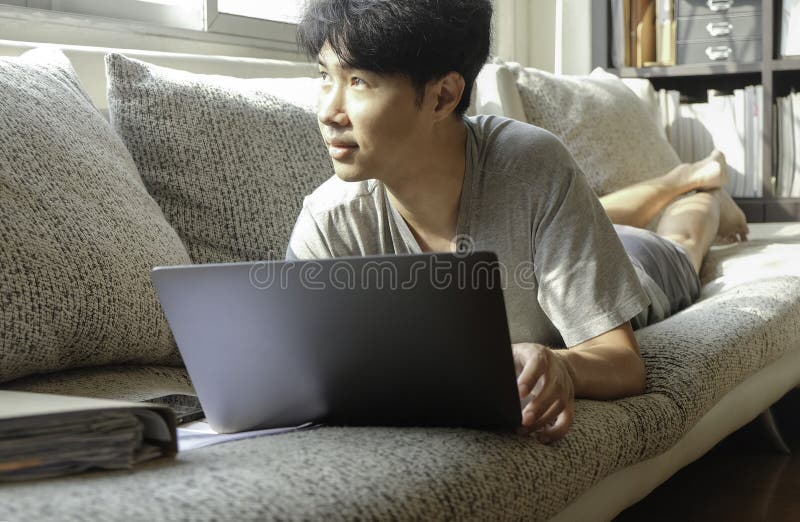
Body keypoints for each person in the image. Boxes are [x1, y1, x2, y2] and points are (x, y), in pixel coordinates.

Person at [285, 0, 749, 443]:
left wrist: (563, 366)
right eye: (325, 76)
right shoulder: (330, 218)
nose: (328, 111)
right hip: (560, 242)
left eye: (360, 81)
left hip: (640, 262)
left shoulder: (530, 164)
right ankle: (680, 179)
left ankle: (701, 188)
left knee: (681, 240)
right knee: (584, 213)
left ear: (443, 95)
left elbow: (624, 363)